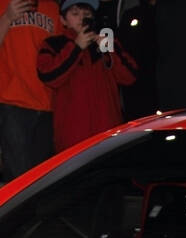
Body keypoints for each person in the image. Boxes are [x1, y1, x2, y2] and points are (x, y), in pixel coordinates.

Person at [0, 0, 61, 180]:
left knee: (43, 184)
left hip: (48, 105)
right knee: (20, 183)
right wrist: (7, 17)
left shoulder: (51, 7)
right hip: (11, 102)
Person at [36, 0, 136, 152]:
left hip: (108, 135)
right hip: (72, 138)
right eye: (75, 13)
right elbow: (49, 76)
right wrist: (76, 47)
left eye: (87, 13)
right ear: (63, 20)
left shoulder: (106, 42)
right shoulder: (53, 44)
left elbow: (129, 77)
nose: (82, 18)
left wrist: (110, 50)